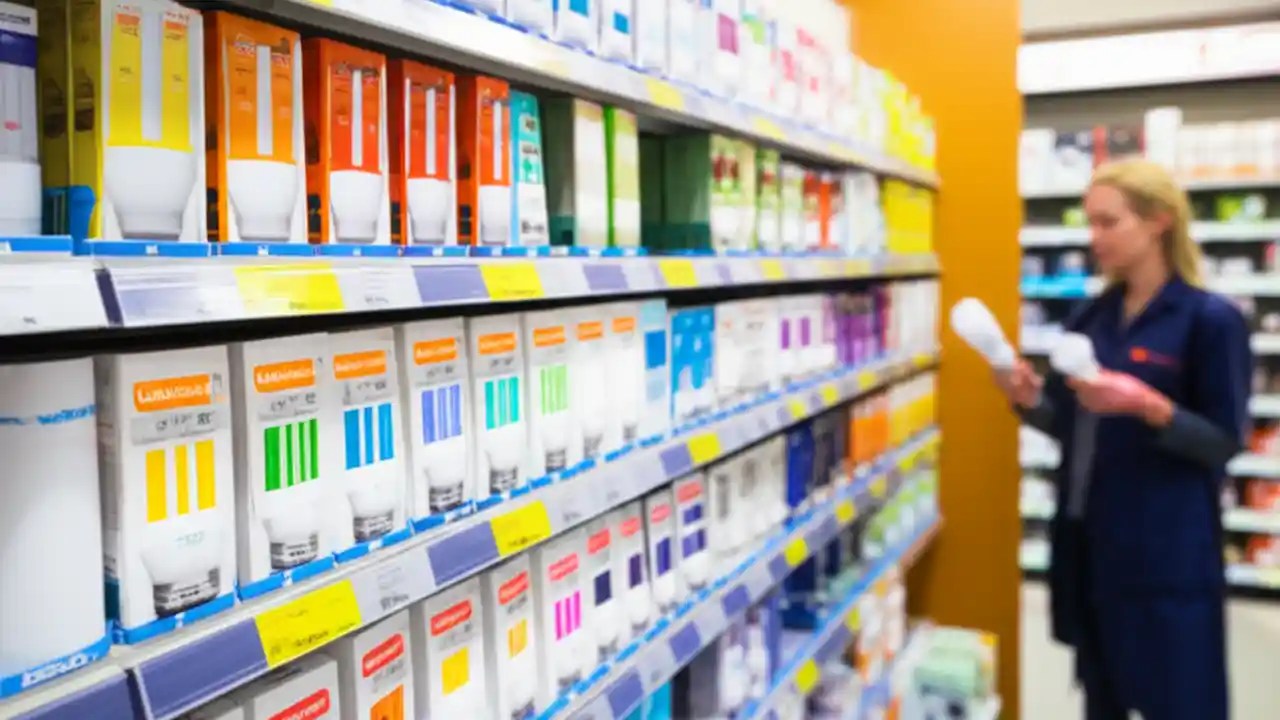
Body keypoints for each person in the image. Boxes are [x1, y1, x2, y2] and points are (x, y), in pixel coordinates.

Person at [996, 158, 1252, 720]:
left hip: (1166, 556)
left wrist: (1149, 406)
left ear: (1159, 221)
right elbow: (1068, 424)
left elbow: (1224, 442)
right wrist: (1028, 400)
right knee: (1102, 699)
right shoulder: (1091, 317)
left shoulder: (1209, 320)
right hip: (1089, 546)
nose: (1094, 238)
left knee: (1181, 702)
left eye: (1108, 222)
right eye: (1090, 222)